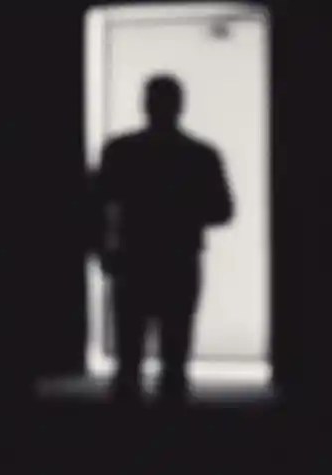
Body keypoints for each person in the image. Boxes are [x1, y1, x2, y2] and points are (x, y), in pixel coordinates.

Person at [93, 74, 233, 406]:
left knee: (129, 354)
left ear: (145, 104)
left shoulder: (120, 150)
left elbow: (97, 206)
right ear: (180, 106)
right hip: (179, 258)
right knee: (174, 353)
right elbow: (222, 211)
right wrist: (183, 211)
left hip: (133, 257)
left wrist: (104, 249)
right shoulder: (200, 154)